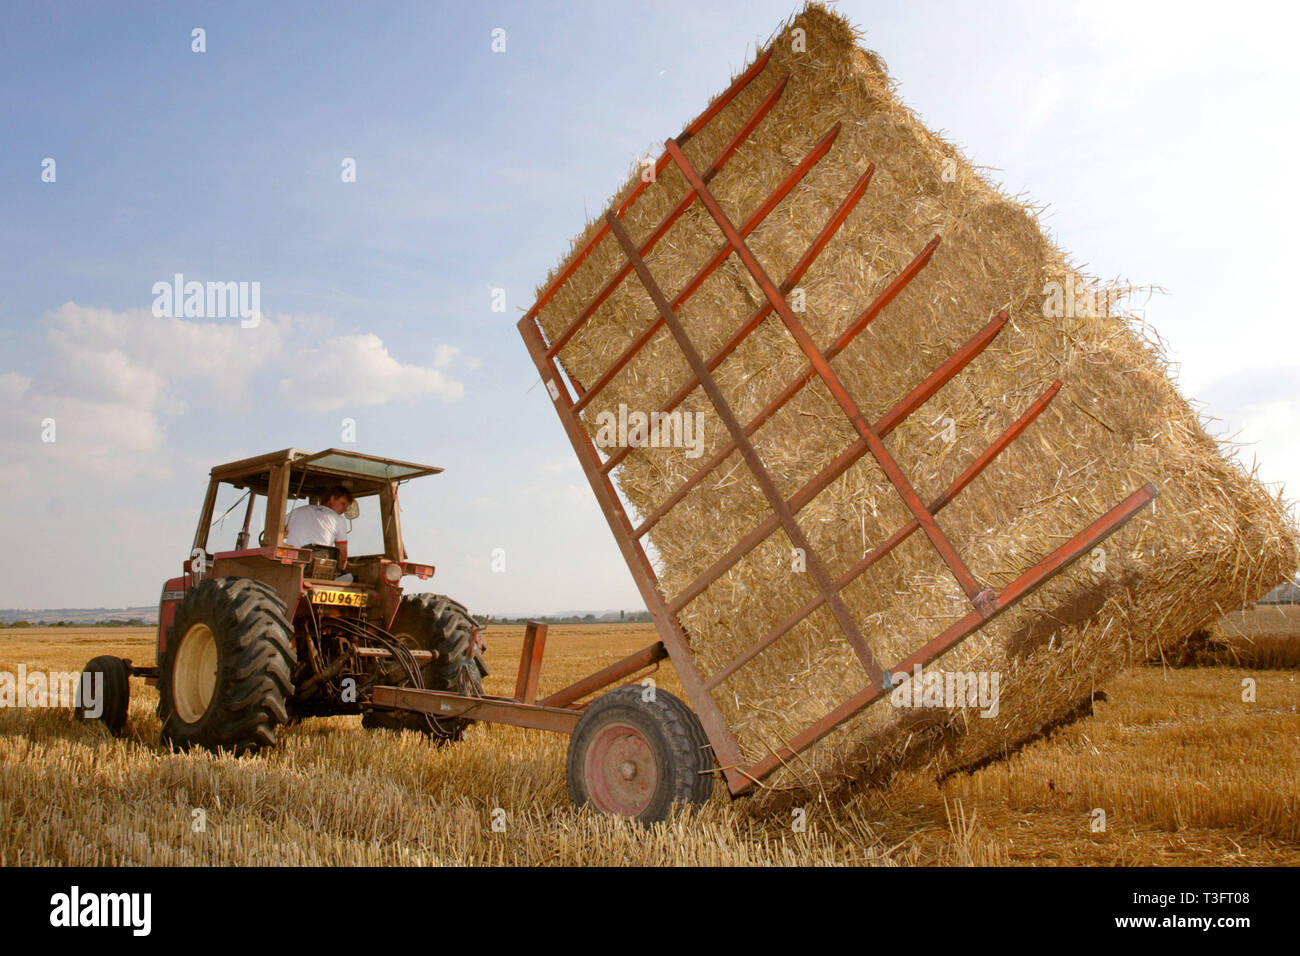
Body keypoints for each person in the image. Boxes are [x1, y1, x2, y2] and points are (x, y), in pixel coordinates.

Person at [286, 485, 352, 578]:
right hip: (320, 570)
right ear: (332, 499)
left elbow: (279, 530)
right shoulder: (339, 520)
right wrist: (341, 570)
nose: (345, 509)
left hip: (291, 568)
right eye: (343, 504)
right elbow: (342, 556)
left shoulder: (298, 511)